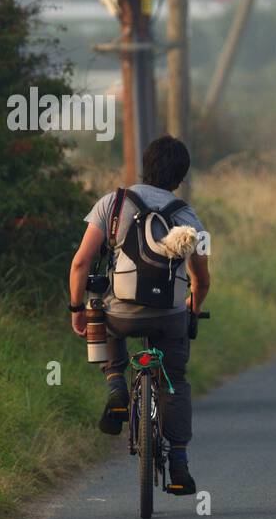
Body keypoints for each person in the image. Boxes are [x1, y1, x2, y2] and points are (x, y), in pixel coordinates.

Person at [67, 137, 210, 495]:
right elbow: (202, 279)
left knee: (101, 312)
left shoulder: (113, 204)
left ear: (144, 165)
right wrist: (193, 306)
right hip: (170, 316)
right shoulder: (189, 216)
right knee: (174, 380)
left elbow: (81, 263)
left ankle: (116, 387)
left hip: (121, 314)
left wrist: (75, 308)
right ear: (180, 177)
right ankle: (179, 466)